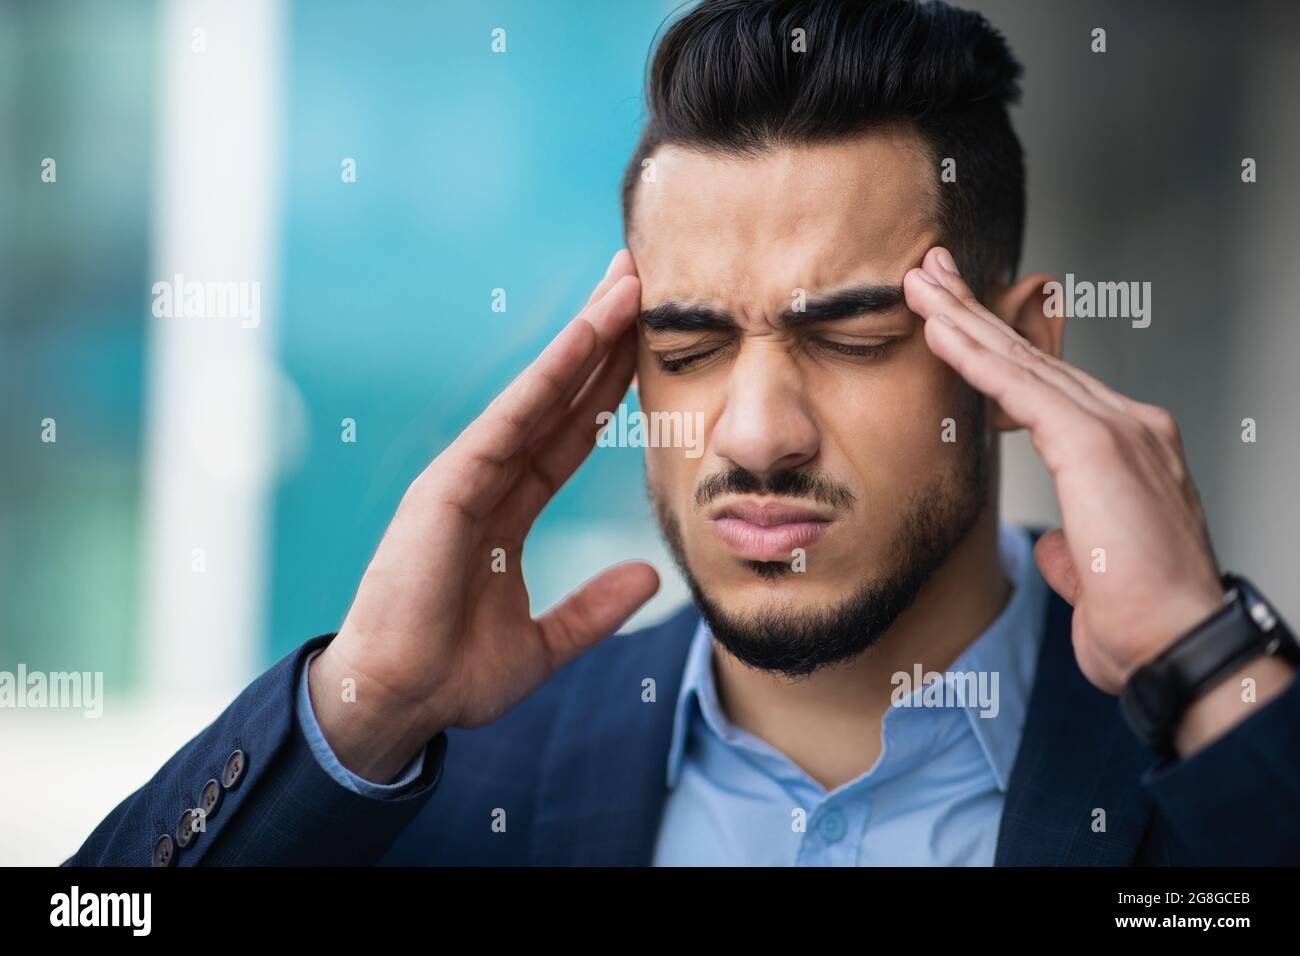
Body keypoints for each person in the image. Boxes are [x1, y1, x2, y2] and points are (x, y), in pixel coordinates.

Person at [70, 0, 1299, 867]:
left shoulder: (1217, 750)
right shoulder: (439, 781)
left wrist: (1208, 673)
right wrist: (361, 702)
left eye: (855, 333)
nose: (755, 434)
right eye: (690, 345)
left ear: (1017, 356)